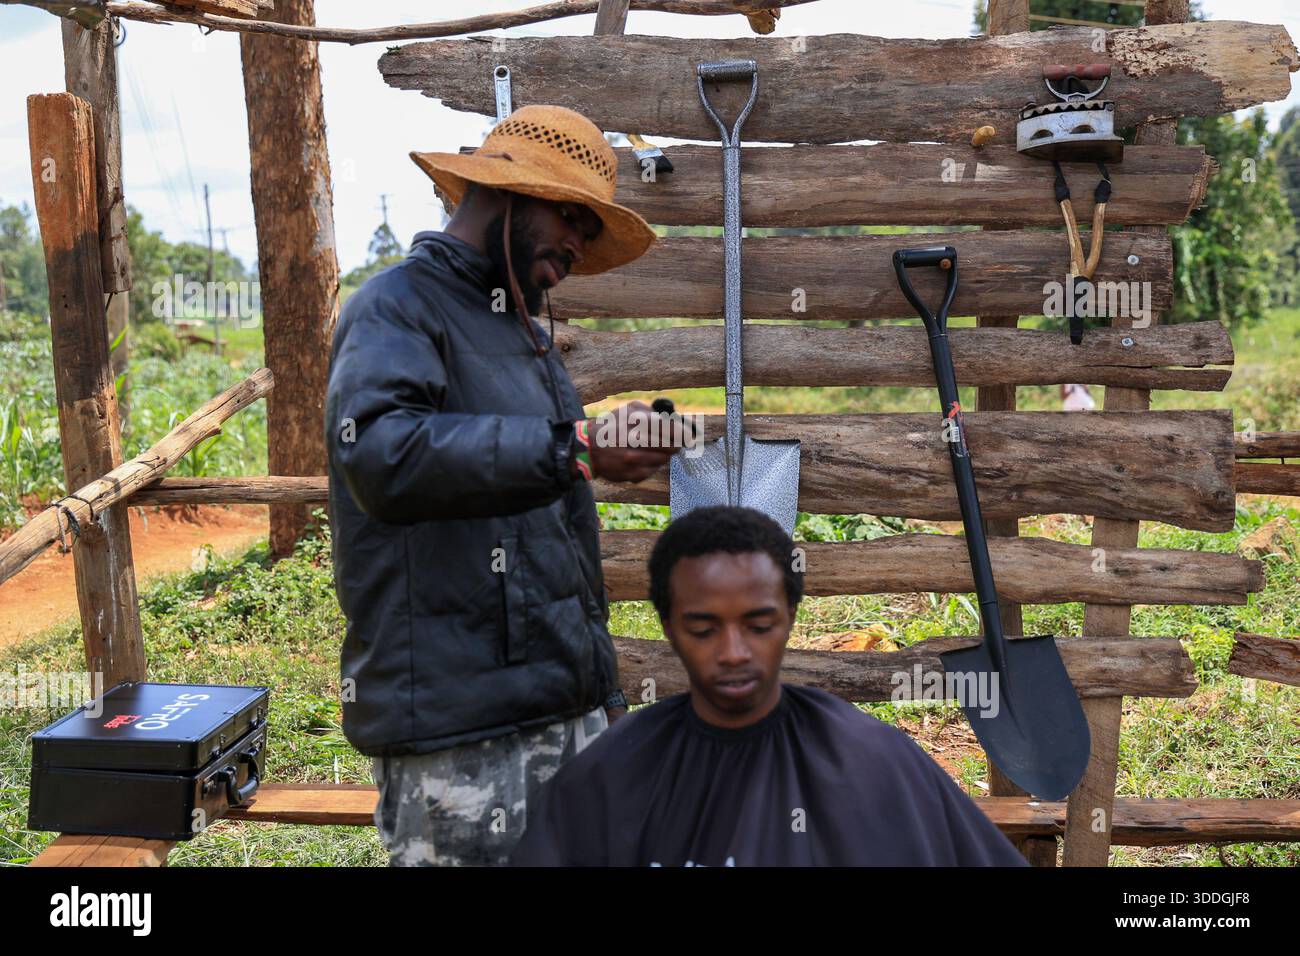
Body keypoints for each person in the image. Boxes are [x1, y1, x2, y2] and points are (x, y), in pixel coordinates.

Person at [325, 105, 681, 865]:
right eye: (573, 219)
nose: (580, 247)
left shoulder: (524, 335)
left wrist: (605, 698)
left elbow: (561, 535)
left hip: (564, 716)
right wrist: (576, 447)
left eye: (590, 233)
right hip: (459, 734)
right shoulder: (395, 308)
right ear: (508, 193)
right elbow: (382, 455)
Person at [511, 506, 1030, 867]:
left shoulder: (874, 761)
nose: (734, 651)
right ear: (668, 627)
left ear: (790, 617)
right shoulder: (612, 775)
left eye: (758, 625)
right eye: (703, 628)